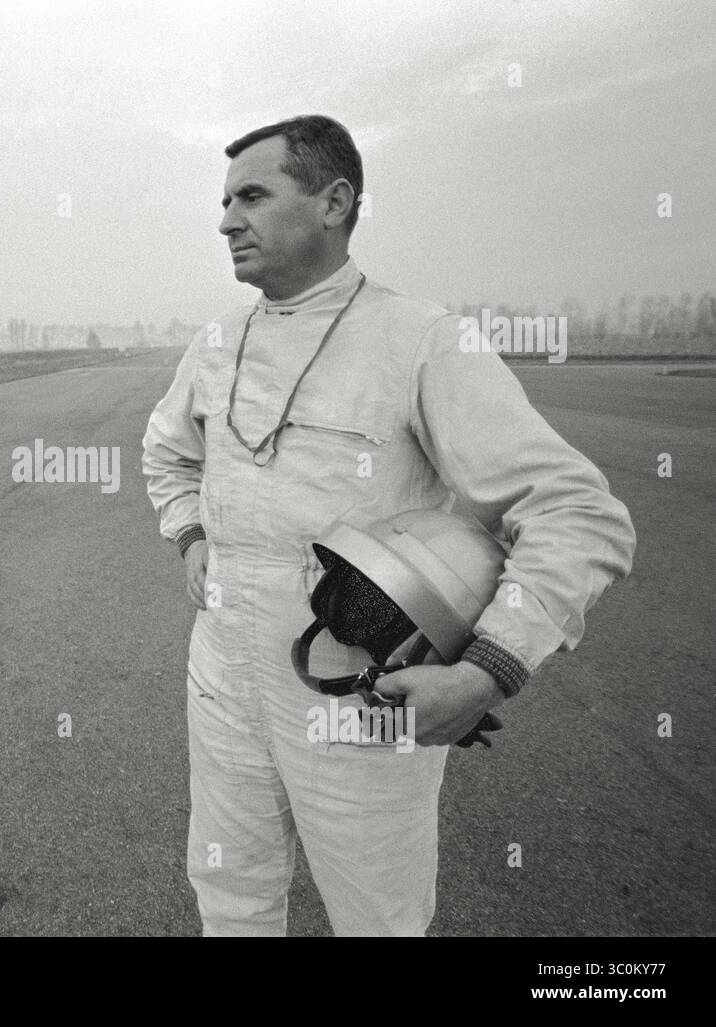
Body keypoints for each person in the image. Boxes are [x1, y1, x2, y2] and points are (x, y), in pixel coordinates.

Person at [141, 114, 636, 936]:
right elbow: (166, 453)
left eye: (253, 196)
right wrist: (192, 534)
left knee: (380, 916)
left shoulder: (423, 342)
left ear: (335, 201)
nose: (226, 219)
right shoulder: (216, 343)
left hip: (358, 698)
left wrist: (487, 669)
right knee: (229, 894)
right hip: (221, 678)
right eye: (225, 200)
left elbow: (578, 513)